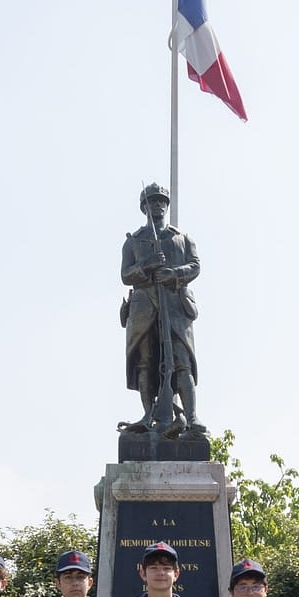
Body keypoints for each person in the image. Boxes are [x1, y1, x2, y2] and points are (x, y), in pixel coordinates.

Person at [119, 181, 203, 436]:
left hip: (175, 307)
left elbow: (195, 265)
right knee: (145, 362)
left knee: (181, 361)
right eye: (152, 201)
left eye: (161, 201)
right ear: (144, 207)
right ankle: (148, 414)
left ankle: (191, 416)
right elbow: (126, 275)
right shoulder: (133, 242)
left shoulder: (182, 238)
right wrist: (148, 265)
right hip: (145, 308)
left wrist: (173, 274)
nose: (157, 205)